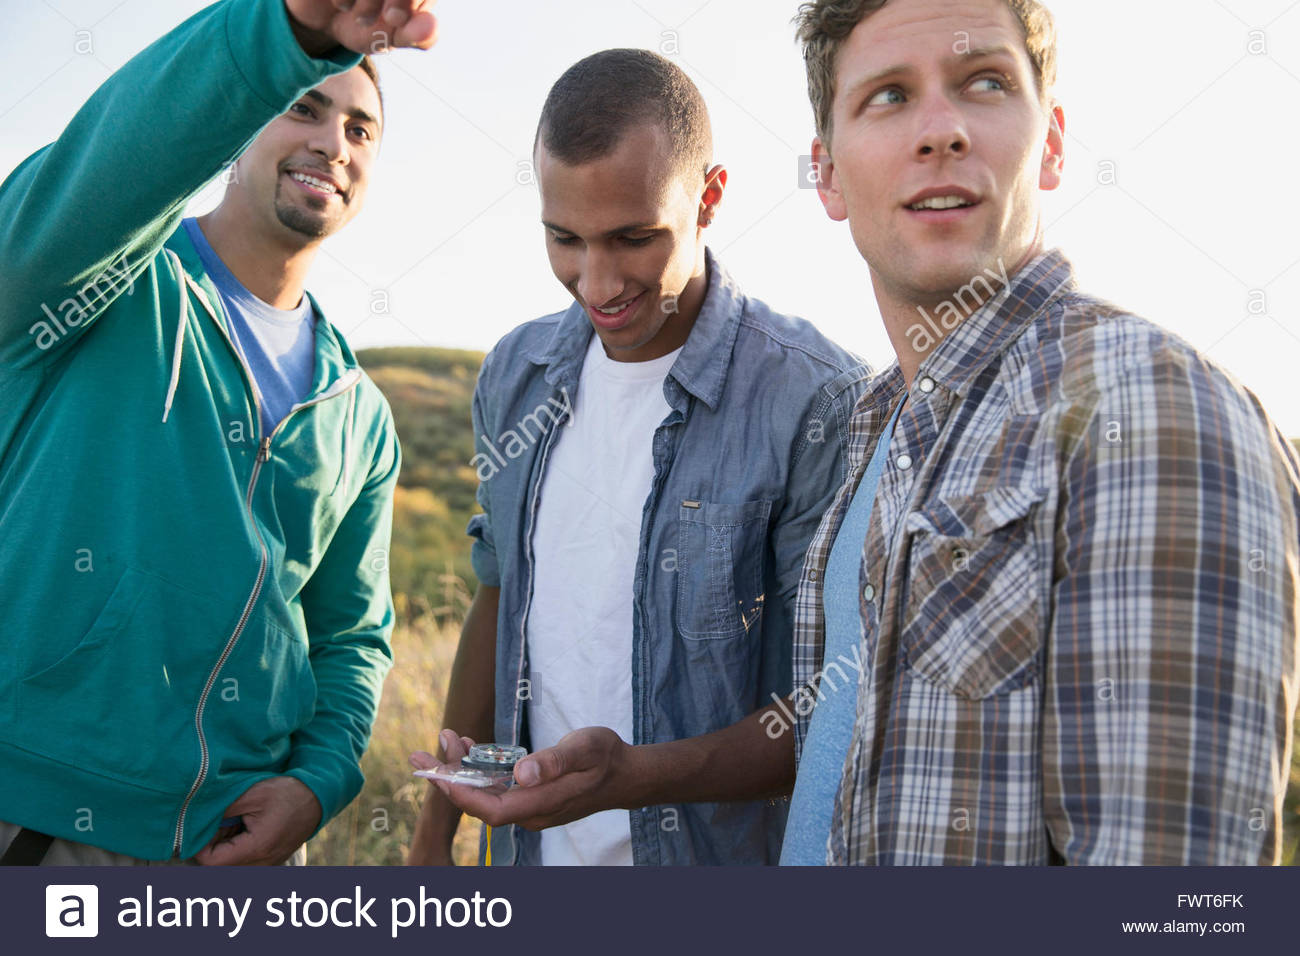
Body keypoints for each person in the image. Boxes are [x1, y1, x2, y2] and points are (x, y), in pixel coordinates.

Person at [424, 0, 1300, 866]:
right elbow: (834, 744)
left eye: (985, 82)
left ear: (1054, 142)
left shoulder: (1148, 406)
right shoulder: (883, 423)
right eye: (888, 96)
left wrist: (638, 778)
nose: (941, 130)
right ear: (829, 174)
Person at [407, 49, 871, 866]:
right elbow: (497, 592)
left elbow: (833, 711)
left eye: (633, 238)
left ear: (710, 198)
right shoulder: (515, 376)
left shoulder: (816, 400)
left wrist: (631, 778)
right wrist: (433, 835)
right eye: (565, 239)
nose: (597, 284)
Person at [0, 0, 437, 866]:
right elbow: (115, 161)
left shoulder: (358, 412)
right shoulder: (90, 285)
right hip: (39, 825)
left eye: (360, 129)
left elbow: (351, 636)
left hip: (236, 849)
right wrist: (284, 37)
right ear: (242, 122)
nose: (333, 143)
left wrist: (318, 782)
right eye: (304, 106)